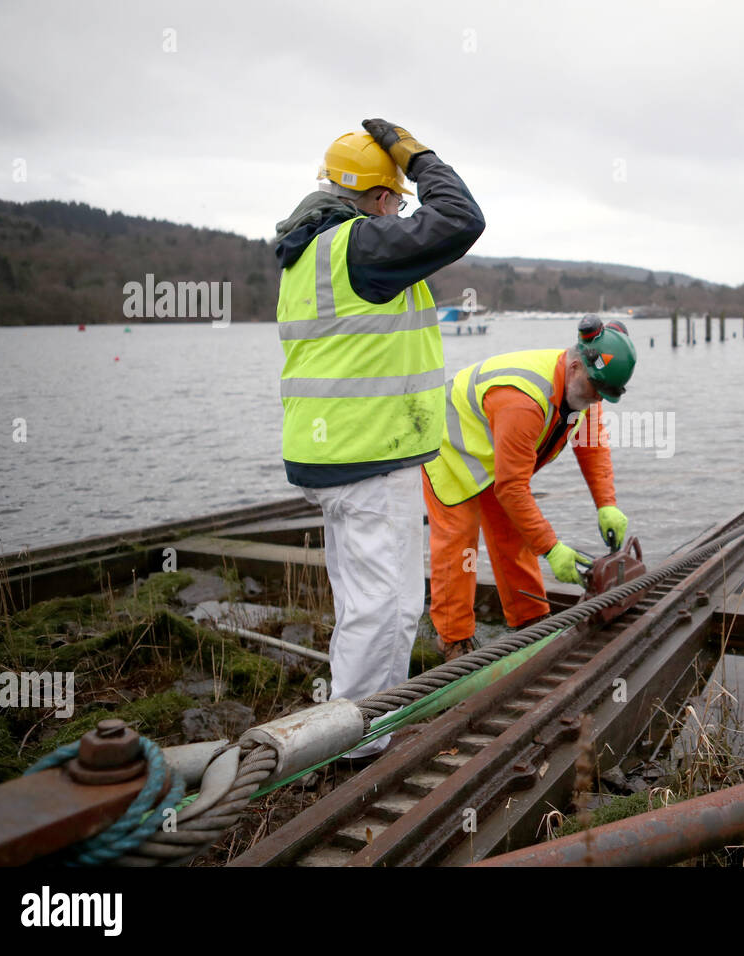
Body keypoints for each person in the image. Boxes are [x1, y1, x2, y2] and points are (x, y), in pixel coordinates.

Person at [275, 118, 484, 756]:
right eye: (393, 195)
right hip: (370, 457)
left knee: (360, 601)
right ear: (372, 195)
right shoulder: (360, 247)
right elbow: (462, 218)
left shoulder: (309, 250)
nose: (399, 209)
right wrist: (420, 158)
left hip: (331, 455)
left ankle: (348, 721)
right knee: (388, 608)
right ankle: (360, 744)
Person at [423, 318, 637, 661]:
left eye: (604, 395)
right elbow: (511, 488)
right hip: (449, 450)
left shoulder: (583, 391)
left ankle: (531, 621)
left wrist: (606, 504)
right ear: (576, 364)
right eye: (596, 389)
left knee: (514, 536)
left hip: (498, 455)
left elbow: (592, 447)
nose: (597, 398)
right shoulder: (524, 399)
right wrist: (552, 548)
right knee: (458, 547)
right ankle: (453, 640)